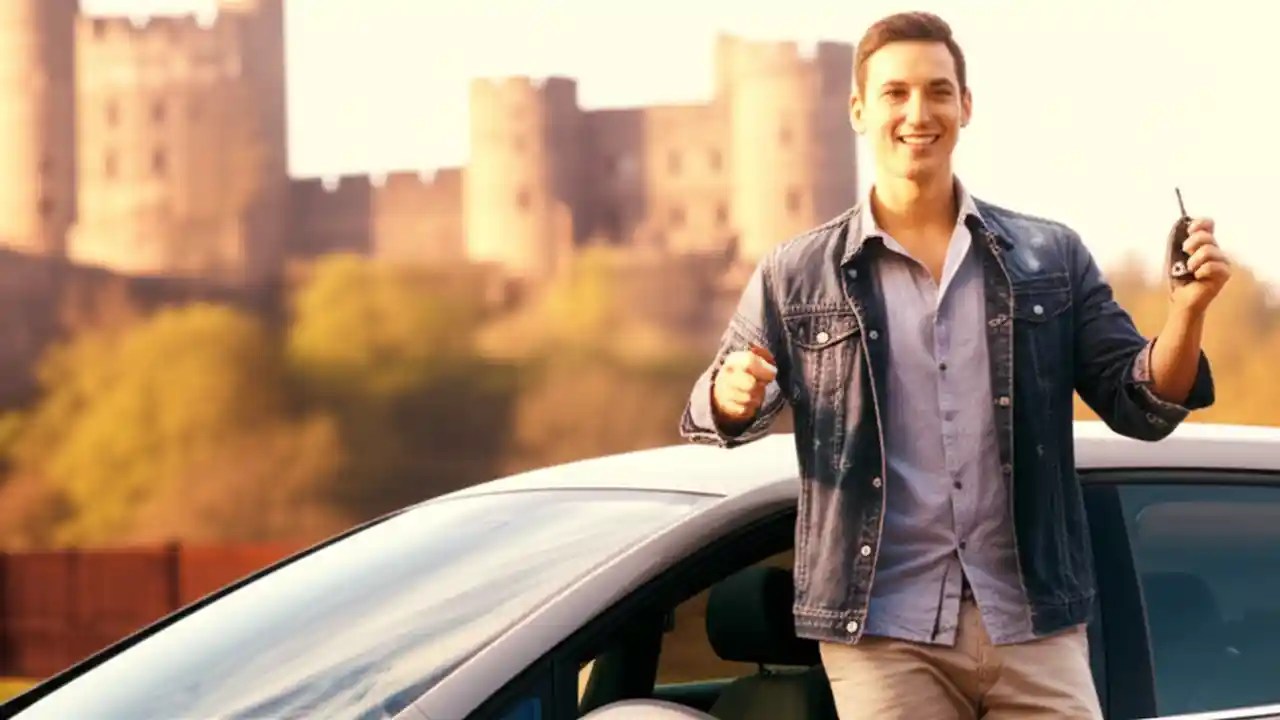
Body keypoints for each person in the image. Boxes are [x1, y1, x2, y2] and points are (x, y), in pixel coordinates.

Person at [679, 10, 1229, 720]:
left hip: (1032, 621)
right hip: (881, 631)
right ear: (857, 109)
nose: (918, 112)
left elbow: (1142, 403)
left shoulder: (1049, 259)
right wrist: (729, 394)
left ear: (965, 107)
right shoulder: (798, 274)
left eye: (938, 91)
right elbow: (711, 417)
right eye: (895, 93)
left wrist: (1187, 311)